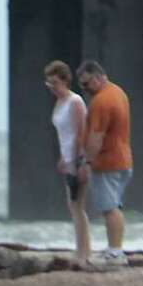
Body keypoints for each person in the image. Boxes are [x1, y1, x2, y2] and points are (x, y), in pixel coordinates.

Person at [76, 59, 132, 266]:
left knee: (110, 208)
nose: (84, 89)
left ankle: (115, 252)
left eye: (87, 83)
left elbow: (96, 137)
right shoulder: (118, 92)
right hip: (123, 159)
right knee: (113, 206)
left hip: (108, 162)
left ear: (99, 78)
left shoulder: (101, 101)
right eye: (81, 85)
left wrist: (86, 162)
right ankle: (113, 249)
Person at [44, 60, 91, 267]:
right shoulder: (59, 103)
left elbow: (81, 132)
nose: (53, 87)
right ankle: (80, 248)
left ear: (65, 80)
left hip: (78, 159)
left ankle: (84, 251)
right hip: (68, 158)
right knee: (72, 206)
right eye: (49, 83)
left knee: (78, 205)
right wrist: (63, 158)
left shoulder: (75, 102)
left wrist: (80, 161)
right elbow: (64, 134)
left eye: (55, 82)